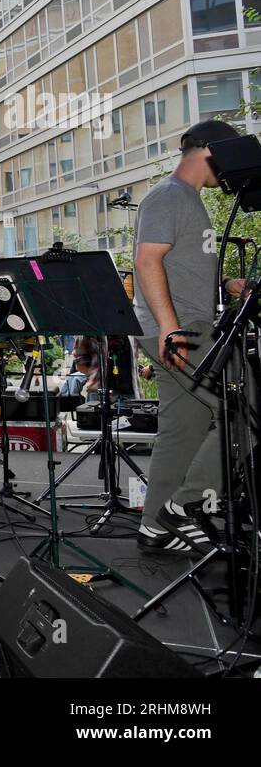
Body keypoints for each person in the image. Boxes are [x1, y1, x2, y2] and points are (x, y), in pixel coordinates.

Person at [132, 119, 247, 556]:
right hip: (181, 330)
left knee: (184, 428)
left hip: (179, 325)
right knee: (246, 411)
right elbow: (146, 262)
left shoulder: (189, 202)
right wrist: (170, 329)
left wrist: (227, 284)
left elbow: (177, 269)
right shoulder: (168, 196)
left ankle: (153, 527)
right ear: (210, 150)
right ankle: (184, 507)